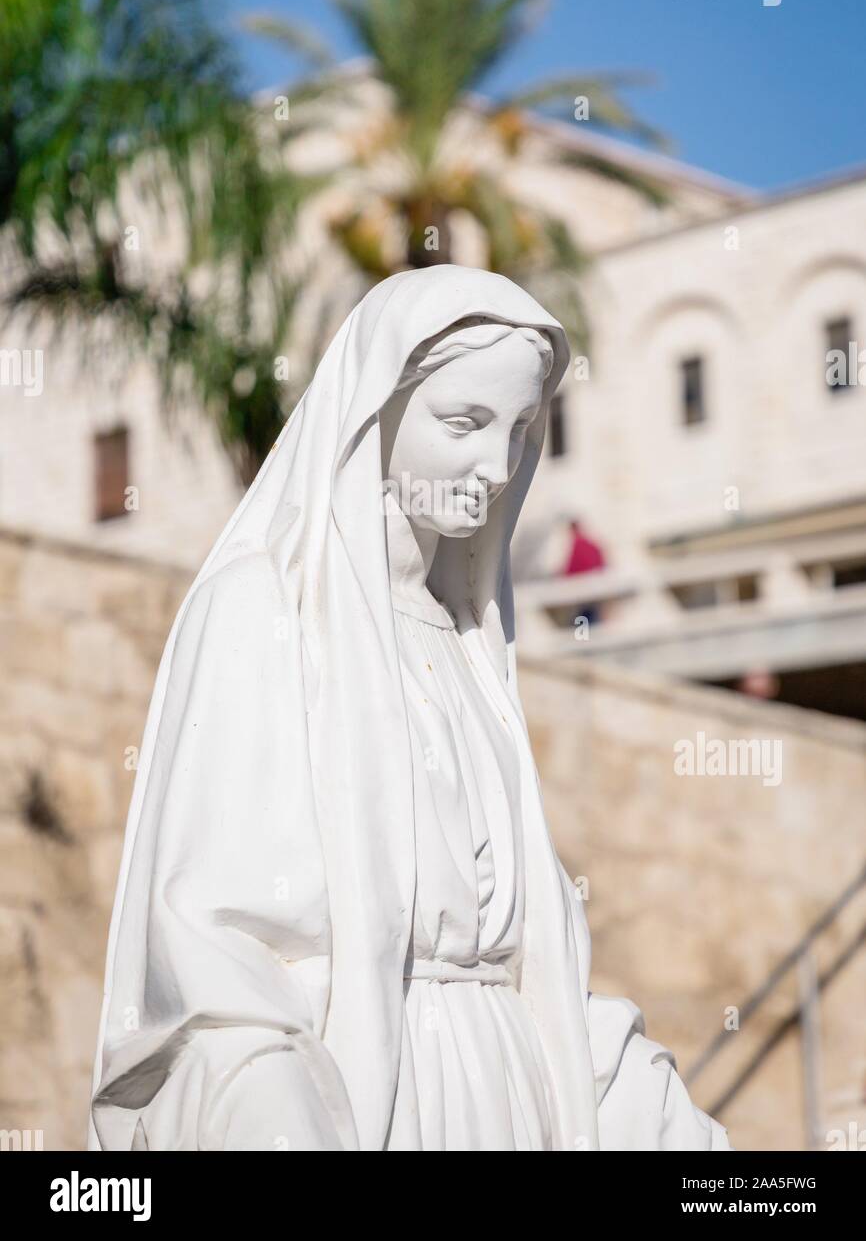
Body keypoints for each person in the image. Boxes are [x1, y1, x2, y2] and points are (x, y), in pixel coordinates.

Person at [88, 265, 732, 1151]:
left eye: (518, 431)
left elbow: (532, 964)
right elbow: (215, 958)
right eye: (462, 423)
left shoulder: (470, 646)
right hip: (372, 1095)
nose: (495, 467)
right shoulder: (263, 610)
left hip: (512, 1096)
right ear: (377, 409)